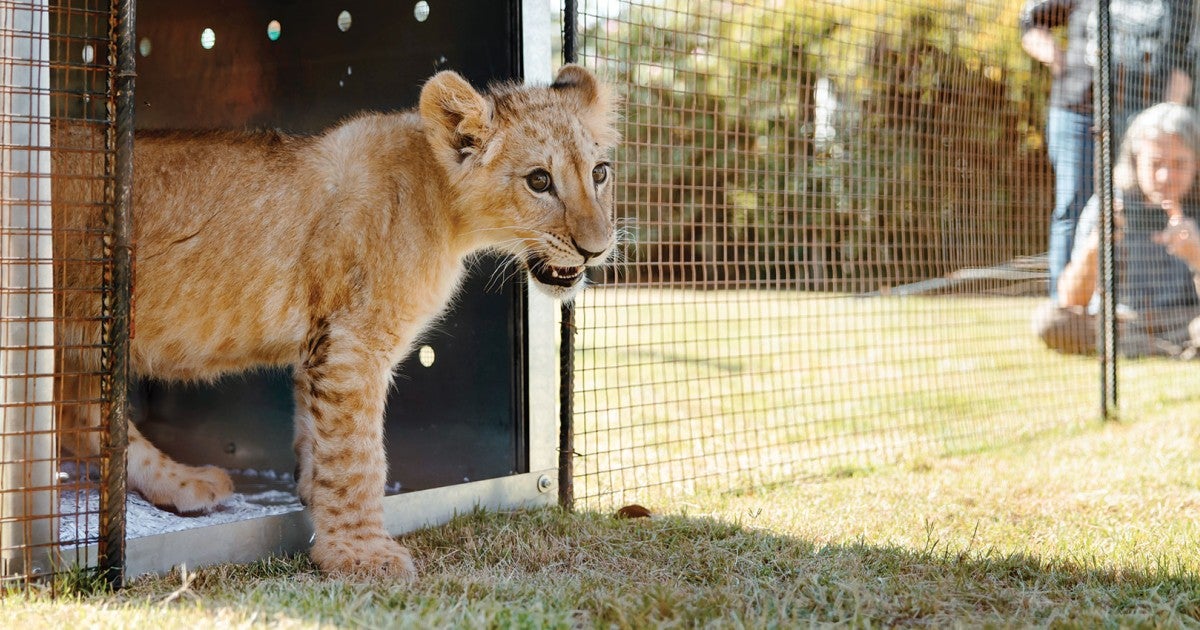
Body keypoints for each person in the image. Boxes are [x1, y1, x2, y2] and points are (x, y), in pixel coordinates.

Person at [1033, 102, 1200, 358]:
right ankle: (1166, 350)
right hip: (1120, 322)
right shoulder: (1108, 205)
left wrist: (1196, 254)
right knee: (1051, 320)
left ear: (1196, 163)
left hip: (1184, 320)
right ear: (1135, 159)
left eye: (1179, 164)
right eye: (1156, 163)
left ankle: (1150, 349)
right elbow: (1071, 299)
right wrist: (1095, 246)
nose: (1166, 176)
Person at [1020, 0, 1097, 301]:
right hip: (1076, 109)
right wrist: (1054, 56)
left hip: (1130, 112)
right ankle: (1063, 306)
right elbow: (1029, 19)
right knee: (1073, 205)